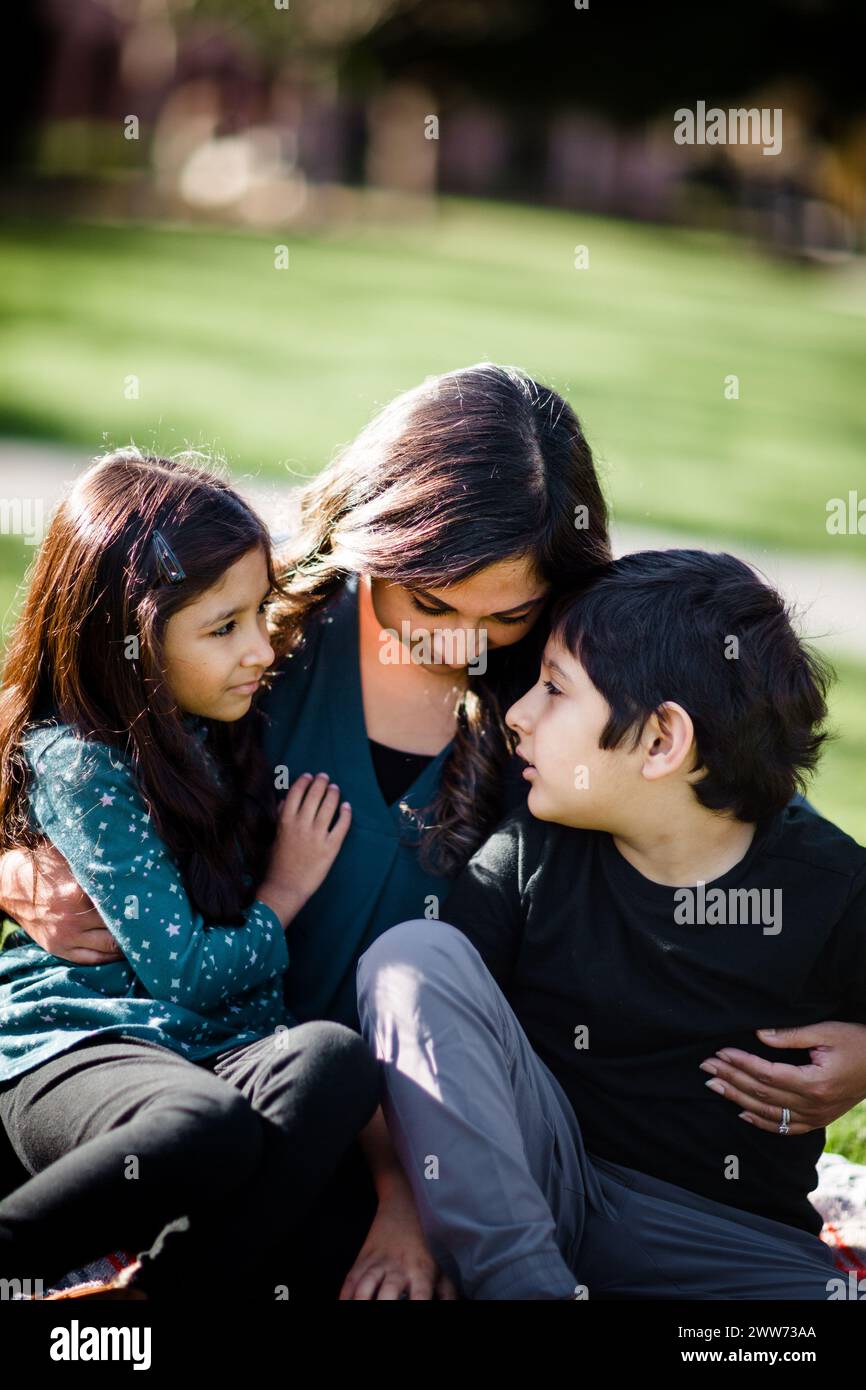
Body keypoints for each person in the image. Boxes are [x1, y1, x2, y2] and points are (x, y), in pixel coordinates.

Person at [2, 366, 866, 1295]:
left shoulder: (569, 697)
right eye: (431, 603)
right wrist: (11, 865)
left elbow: (739, 796)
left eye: (509, 613)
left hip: (388, 1132)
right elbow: (58, 716)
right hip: (170, 1075)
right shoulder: (253, 634)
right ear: (374, 538)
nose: (464, 642)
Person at [356, 550, 866, 1299]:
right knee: (412, 956)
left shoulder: (832, 886)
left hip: (727, 1243)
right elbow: (428, 1046)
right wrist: (403, 1204)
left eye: (554, 689)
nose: (519, 715)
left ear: (662, 741)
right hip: (538, 1194)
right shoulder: (527, 859)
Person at [0, 449, 380, 1299]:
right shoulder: (83, 761)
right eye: (223, 628)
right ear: (128, 640)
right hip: (86, 1048)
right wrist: (284, 890)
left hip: (215, 1054)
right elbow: (186, 972)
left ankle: (147, 1297)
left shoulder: (213, 717)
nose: (260, 650)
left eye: (260, 615)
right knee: (202, 1127)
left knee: (333, 1062)